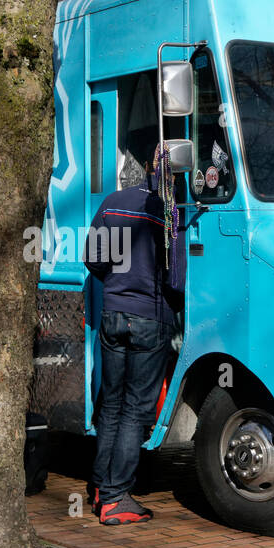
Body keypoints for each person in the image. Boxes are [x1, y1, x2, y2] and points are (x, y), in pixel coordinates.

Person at [83, 144, 187, 525]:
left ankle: (99, 486)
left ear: (146, 167)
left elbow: (93, 259)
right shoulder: (169, 216)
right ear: (174, 176)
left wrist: (117, 287)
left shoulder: (113, 203)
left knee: (110, 405)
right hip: (151, 320)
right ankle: (115, 497)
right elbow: (177, 281)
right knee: (135, 412)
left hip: (113, 315)